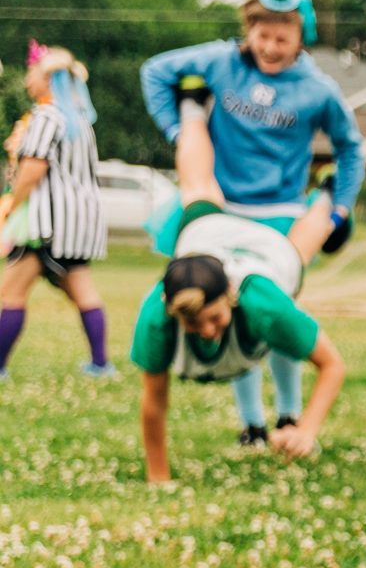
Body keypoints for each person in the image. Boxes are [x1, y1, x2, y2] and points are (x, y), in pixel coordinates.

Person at [140, 0, 364, 445]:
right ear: (249, 31)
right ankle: (251, 423)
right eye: (262, 36)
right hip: (220, 205)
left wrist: (340, 206)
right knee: (229, 309)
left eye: (282, 39)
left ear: (301, 37)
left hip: (278, 210)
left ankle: (288, 414)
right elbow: (155, 72)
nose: (270, 48)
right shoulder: (223, 63)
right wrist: (177, 127)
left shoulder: (318, 89)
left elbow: (351, 147)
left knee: (275, 308)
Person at [131, 81, 347, 481]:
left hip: (265, 254)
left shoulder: (262, 299)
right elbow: (154, 401)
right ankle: (192, 106)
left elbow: (331, 364)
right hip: (204, 238)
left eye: (213, 318)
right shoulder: (157, 315)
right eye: (194, 325)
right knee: (196, 189)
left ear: (229, 296)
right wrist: (158, 478)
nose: (208, 333)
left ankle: (328, 191)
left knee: (300, 244)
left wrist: (306, 430)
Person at [0, 45, 113, 382]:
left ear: (48, 79)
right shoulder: (80, 119)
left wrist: (11, 204)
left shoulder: (46, 116)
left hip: (46, 224)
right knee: (82, 290)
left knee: (10, 292)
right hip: (78, 223)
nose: (28, 80)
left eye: (33, 73)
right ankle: (100, 363)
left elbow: (33, 170)